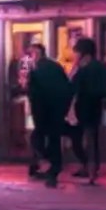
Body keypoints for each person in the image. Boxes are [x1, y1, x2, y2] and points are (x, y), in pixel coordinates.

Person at [27, 43, 72, 188]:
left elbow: (34, 94)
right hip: (57, 110)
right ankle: (52, 168)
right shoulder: (56, 67)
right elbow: (67, 87)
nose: (31, 56)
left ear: (38, 53)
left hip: (44, 111)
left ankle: (47, 164)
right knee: (53, 139)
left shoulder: (37, 70)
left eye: (32, 53)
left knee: (38, 138)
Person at [66, 37, 106, 185]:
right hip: (95, 108)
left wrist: (75, 70)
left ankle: (89, 168)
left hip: (83, 108)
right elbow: (105, 91)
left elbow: (72, 86)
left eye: (77, 52)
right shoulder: (102, 68)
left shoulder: (83, 69)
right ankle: (92, 169)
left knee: (80, 139)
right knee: (91, 140)